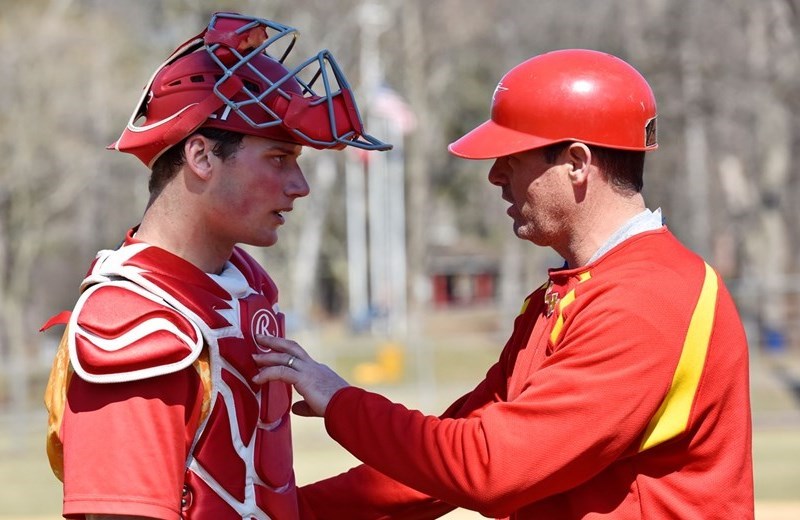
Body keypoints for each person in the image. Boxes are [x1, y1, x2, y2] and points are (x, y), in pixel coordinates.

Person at [252, 49, 754, 519]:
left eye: (512, 158)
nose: (495, 176)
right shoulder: (570, 292)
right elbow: (444, 459)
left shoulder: (650, 296)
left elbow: (490, 469)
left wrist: (338, 399)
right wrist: (288, 511)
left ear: (577, 163)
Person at [42, 12, 389, 520]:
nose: (300, 185)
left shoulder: (244, 287)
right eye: (278, 158)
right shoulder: (132, 321)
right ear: (202, 156)